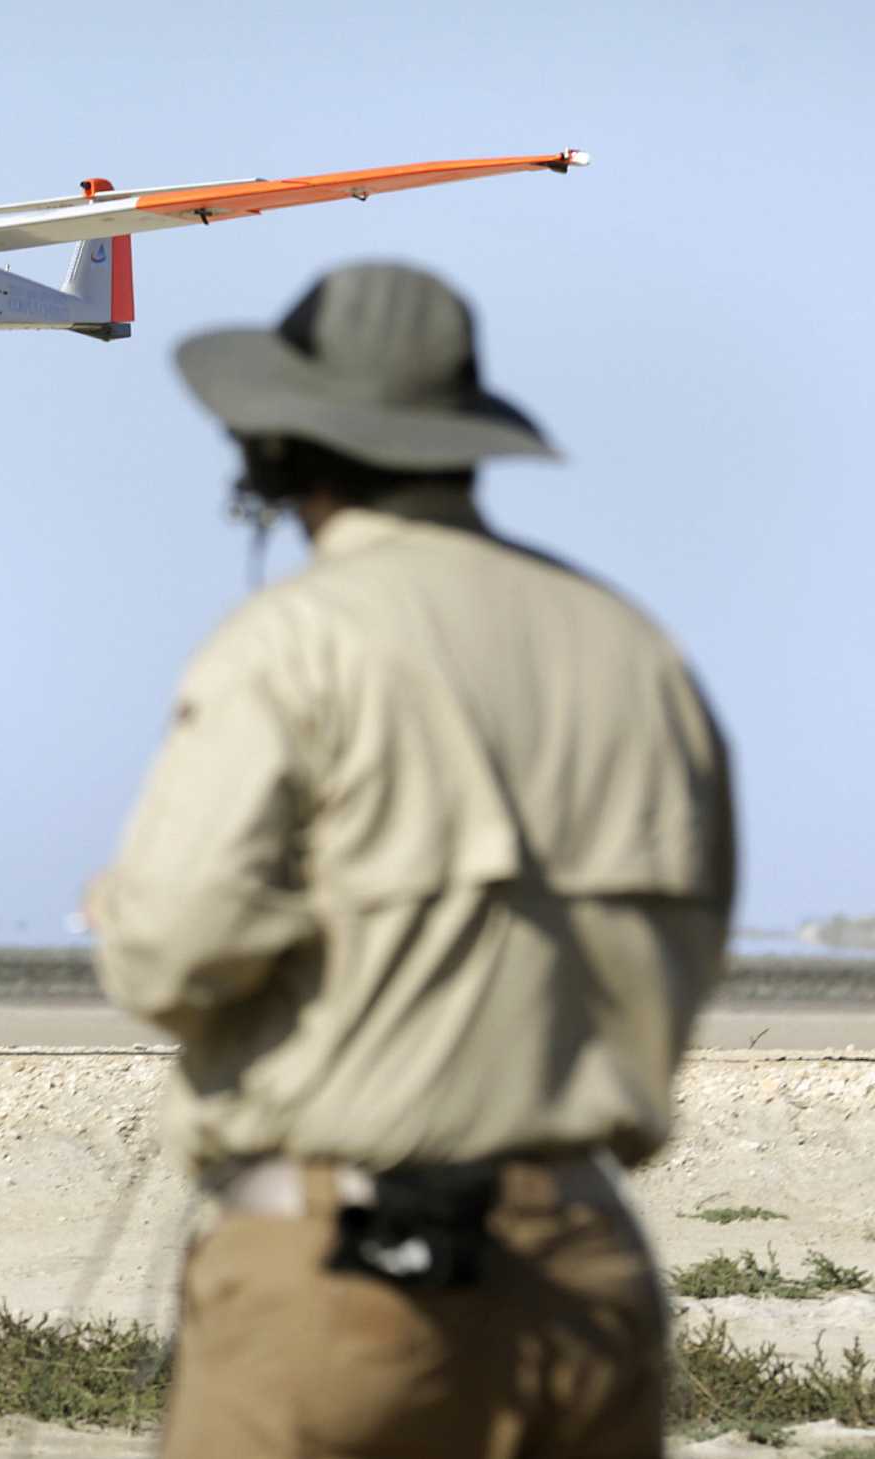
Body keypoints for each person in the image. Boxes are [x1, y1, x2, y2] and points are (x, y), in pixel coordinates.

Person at [86, 262, 737, 1459]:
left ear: (279, 451)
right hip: (587, 1261)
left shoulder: (291, 644)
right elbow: (688, 947)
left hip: (343, 1263)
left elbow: (165, 953)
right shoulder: (634, 652)